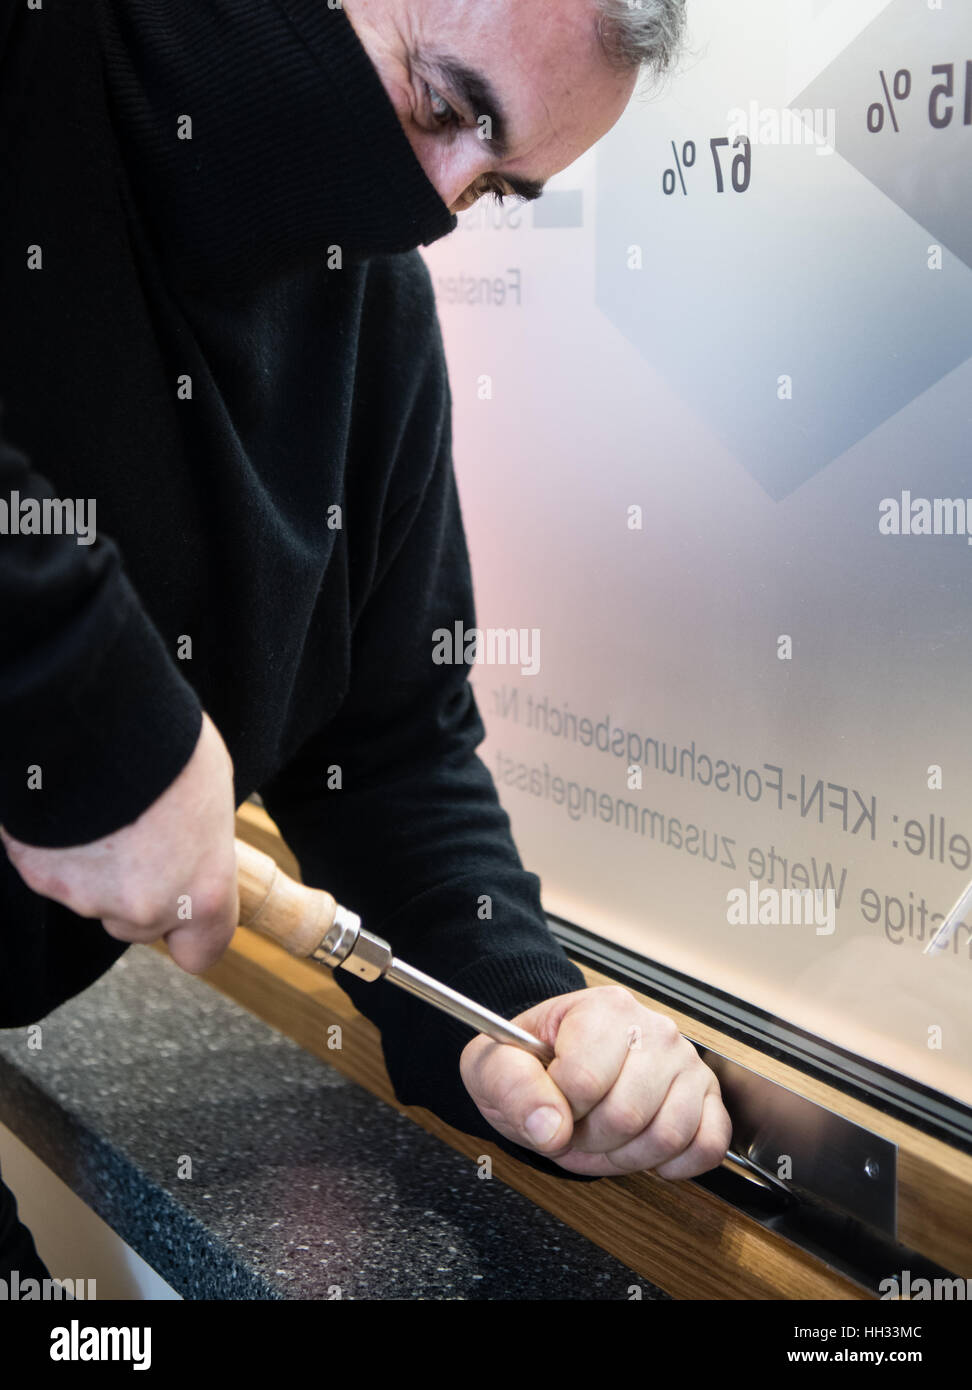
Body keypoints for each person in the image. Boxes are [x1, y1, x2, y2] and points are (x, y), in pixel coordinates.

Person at [0, 0, 730, 1281]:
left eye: (496, 186)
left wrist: (519, 1008)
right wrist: (95, 711)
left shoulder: (373, 308)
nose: (436, 205)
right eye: (442, 106)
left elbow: (390, 748)